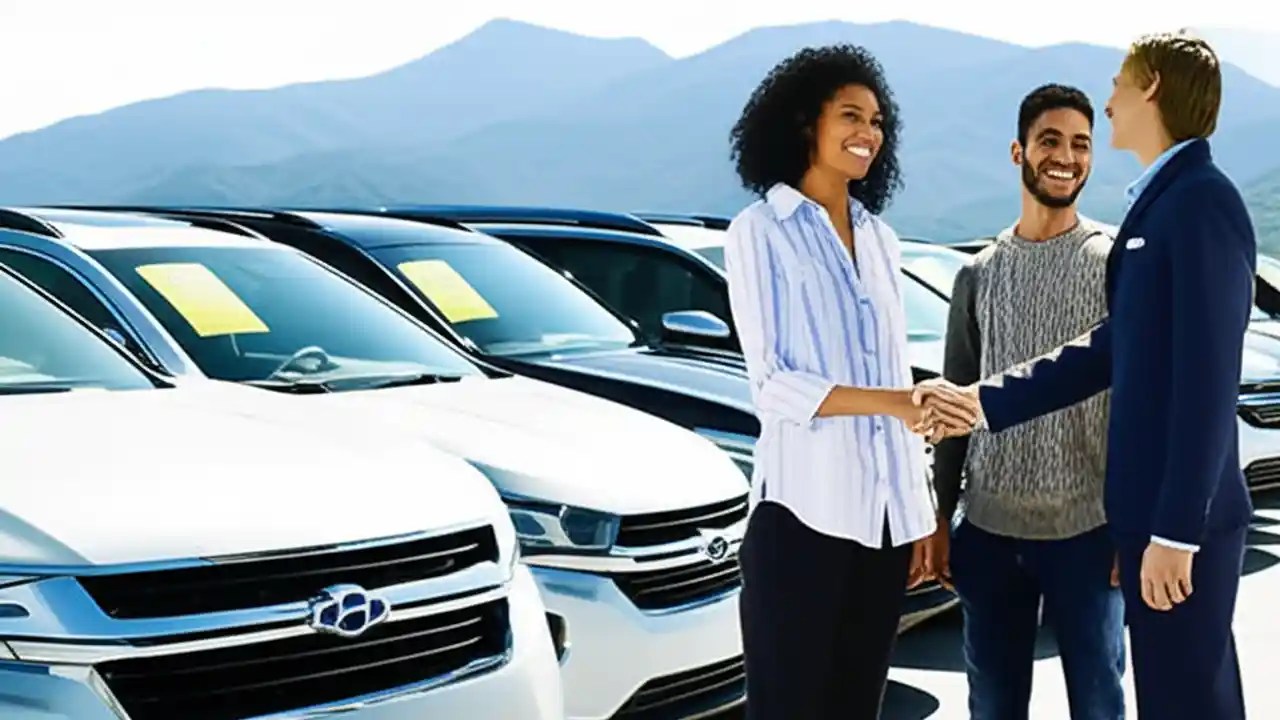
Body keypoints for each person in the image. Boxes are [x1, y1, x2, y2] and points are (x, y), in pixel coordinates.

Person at [918, 31, 1254, 719]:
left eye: (1119, 84)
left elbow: (1206, 384)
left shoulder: (1198, 204)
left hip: (1170, 533)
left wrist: (1176, 533)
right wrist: (980, 403)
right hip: (1138, 529)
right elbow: (1108, 350)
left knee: (1189, 704)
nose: (1110, 100)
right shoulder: (1163, 204)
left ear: (1152, 87)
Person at [723, 44, 974, 719]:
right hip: (800, 519)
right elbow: (773, 383)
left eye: (879, 121)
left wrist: (920, 513)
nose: (870, 133)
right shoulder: (759, 231)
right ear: (806, 121)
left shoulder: (881, 239)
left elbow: (892, 372)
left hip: (883, 529)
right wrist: (898, 403)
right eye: (852, 116)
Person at [929, 83, 1126, 720]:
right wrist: (940, 516)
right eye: (1050, 141)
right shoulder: (979, 273)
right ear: (1019, 152)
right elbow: (957, 407)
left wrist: (1133, 520)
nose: (1065, 156)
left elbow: (1137, 407)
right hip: (988, 533)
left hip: (1090, 533)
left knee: (1098, 706)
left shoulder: (1113, 264)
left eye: (1080, 144)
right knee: (992, 706)